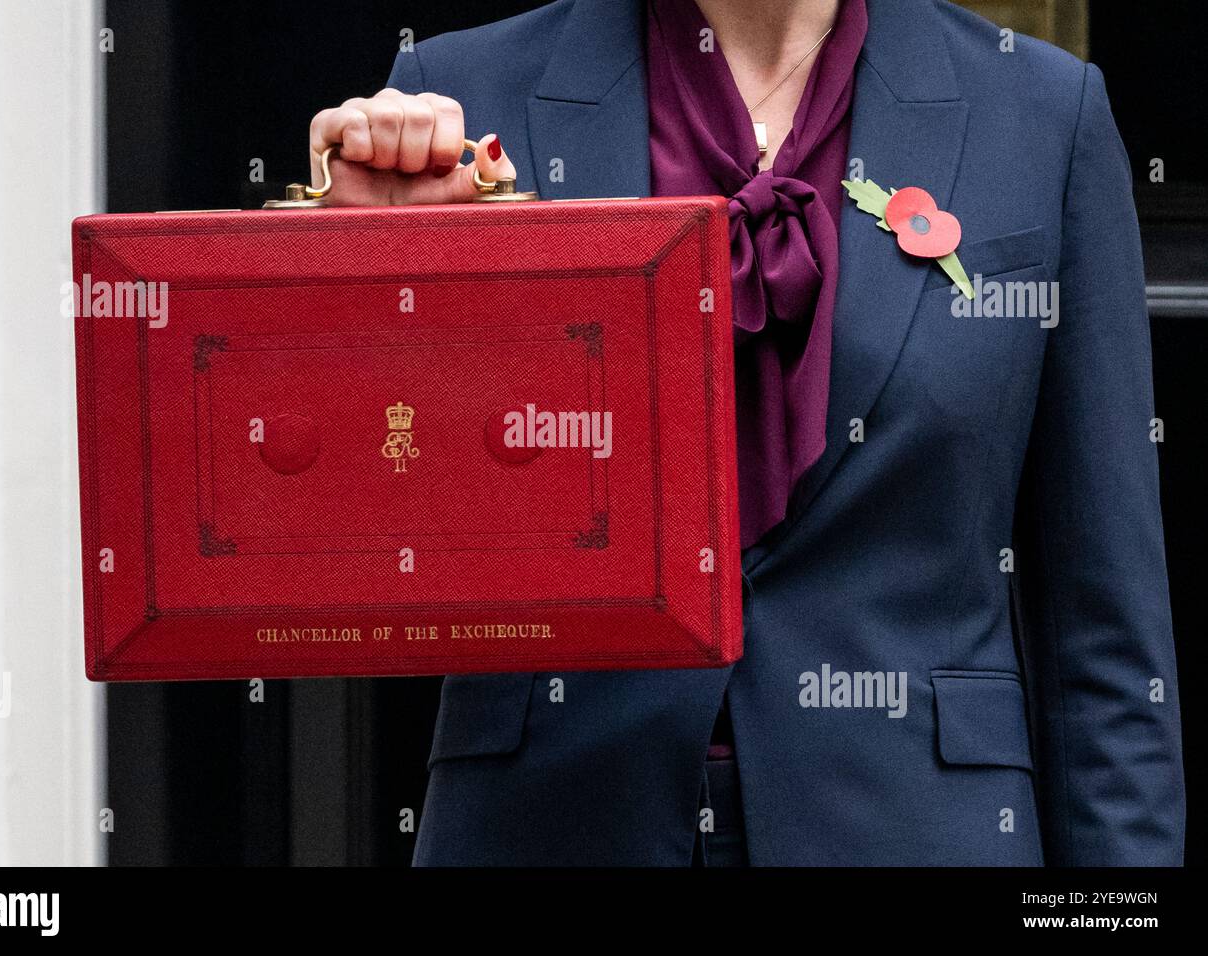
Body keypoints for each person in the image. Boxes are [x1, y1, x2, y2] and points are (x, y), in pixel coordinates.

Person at [307, 0, 1185, 866]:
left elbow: (1104, 634)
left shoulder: (1039, 112)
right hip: (549, 822)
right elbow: (355, 530)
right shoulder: (461, 99)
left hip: (917, 826)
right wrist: (357, 278)